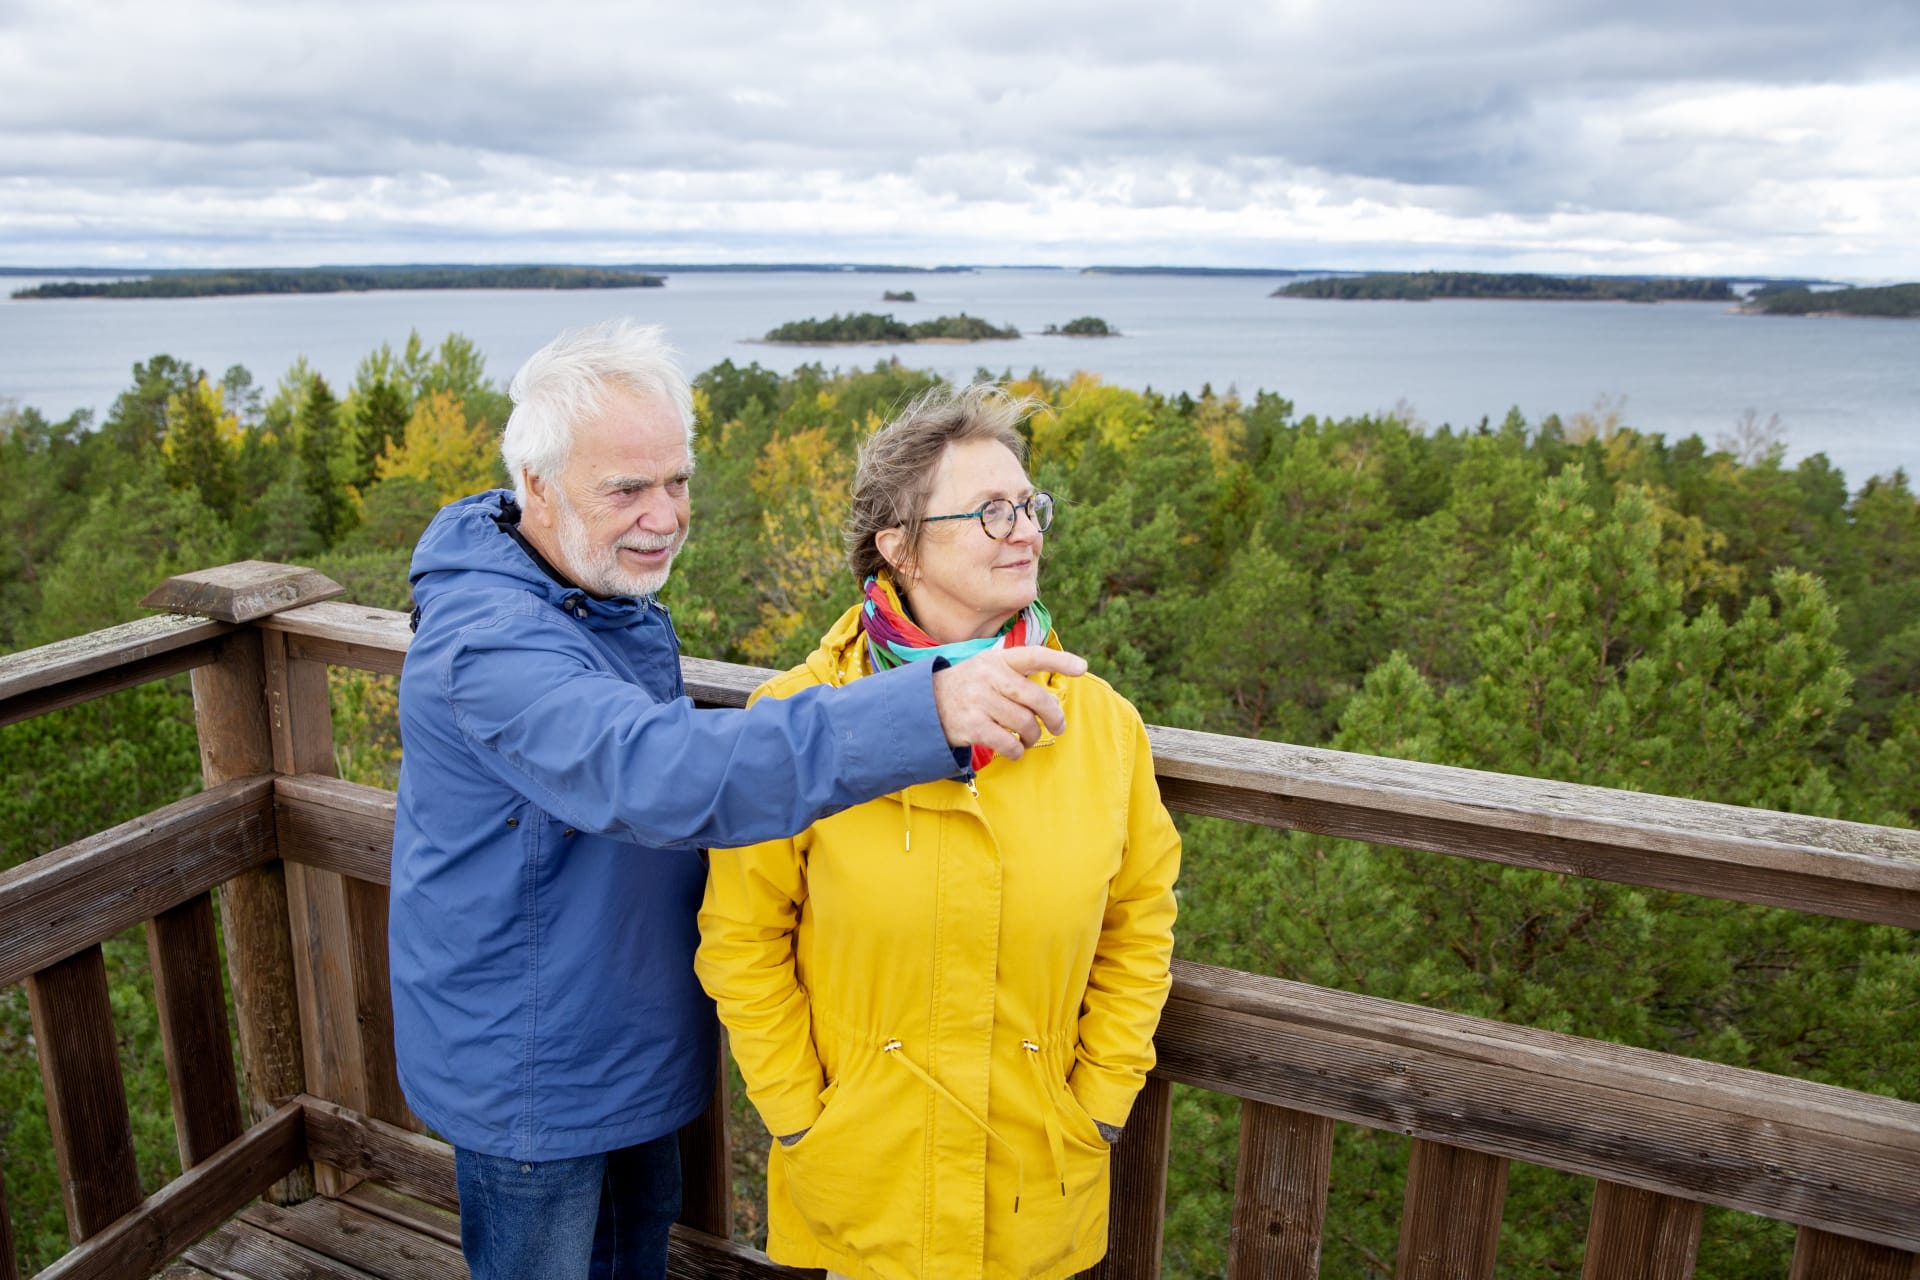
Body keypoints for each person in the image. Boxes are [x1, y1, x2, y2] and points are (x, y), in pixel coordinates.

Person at [389, 321, 1088, 1280]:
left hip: (626, 1037)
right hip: (532, 1064)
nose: (665, 514)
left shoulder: (580, 584)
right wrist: (922, 709)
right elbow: (650, 769)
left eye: (676, 481)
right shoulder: (490, 643)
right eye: (627, 489)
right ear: (537, 486)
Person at [696, 383, 1181, 1280]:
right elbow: (741, 943)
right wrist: (804, 1116)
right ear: (899, 545)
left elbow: (1138, 930)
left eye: (1030, 506)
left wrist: (1097, 1106)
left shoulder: (1105, 728)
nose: (1027, 530)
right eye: (992, 512)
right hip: (862, 1190)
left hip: (1034, 1191)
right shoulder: (799, 719)